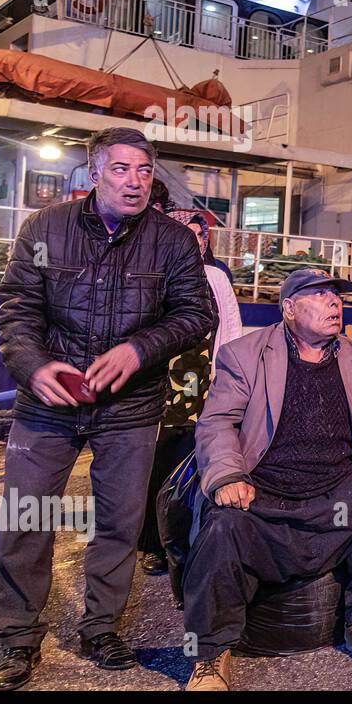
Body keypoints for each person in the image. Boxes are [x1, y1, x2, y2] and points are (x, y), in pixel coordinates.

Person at [0, 127, 214, 691]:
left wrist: (139, 349)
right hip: (48, 404)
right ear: (93, 174)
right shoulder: (44, 229)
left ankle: (101, 627)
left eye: (144, 171)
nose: (134, 181)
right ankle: (17, 635)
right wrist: (34, 365)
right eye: (120, 169)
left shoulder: (172, 242)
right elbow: (17, 310)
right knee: (25, 518)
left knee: (116, 525)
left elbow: (196, 314)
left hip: (131, 407)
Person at [182, 269, 352, 690]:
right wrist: (228, 475)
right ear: (288, 309)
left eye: (337, 297)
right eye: (320, 296)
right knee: (222, 525)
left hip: (337, 494)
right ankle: (211, 654)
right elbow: (216, 423)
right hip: (265, 492)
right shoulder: (244, 355)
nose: (334, 303)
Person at [137, 210, 243, 577]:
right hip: (156, 380)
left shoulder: (215, 277)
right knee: (155, 460)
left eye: (202, 234)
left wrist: (227, 377)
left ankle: (188, 536)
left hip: (200, 382)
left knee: (193, 459)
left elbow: (231, 328)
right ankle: (152, 543)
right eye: (189, 233)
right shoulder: (152, 273)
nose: (198, 239)